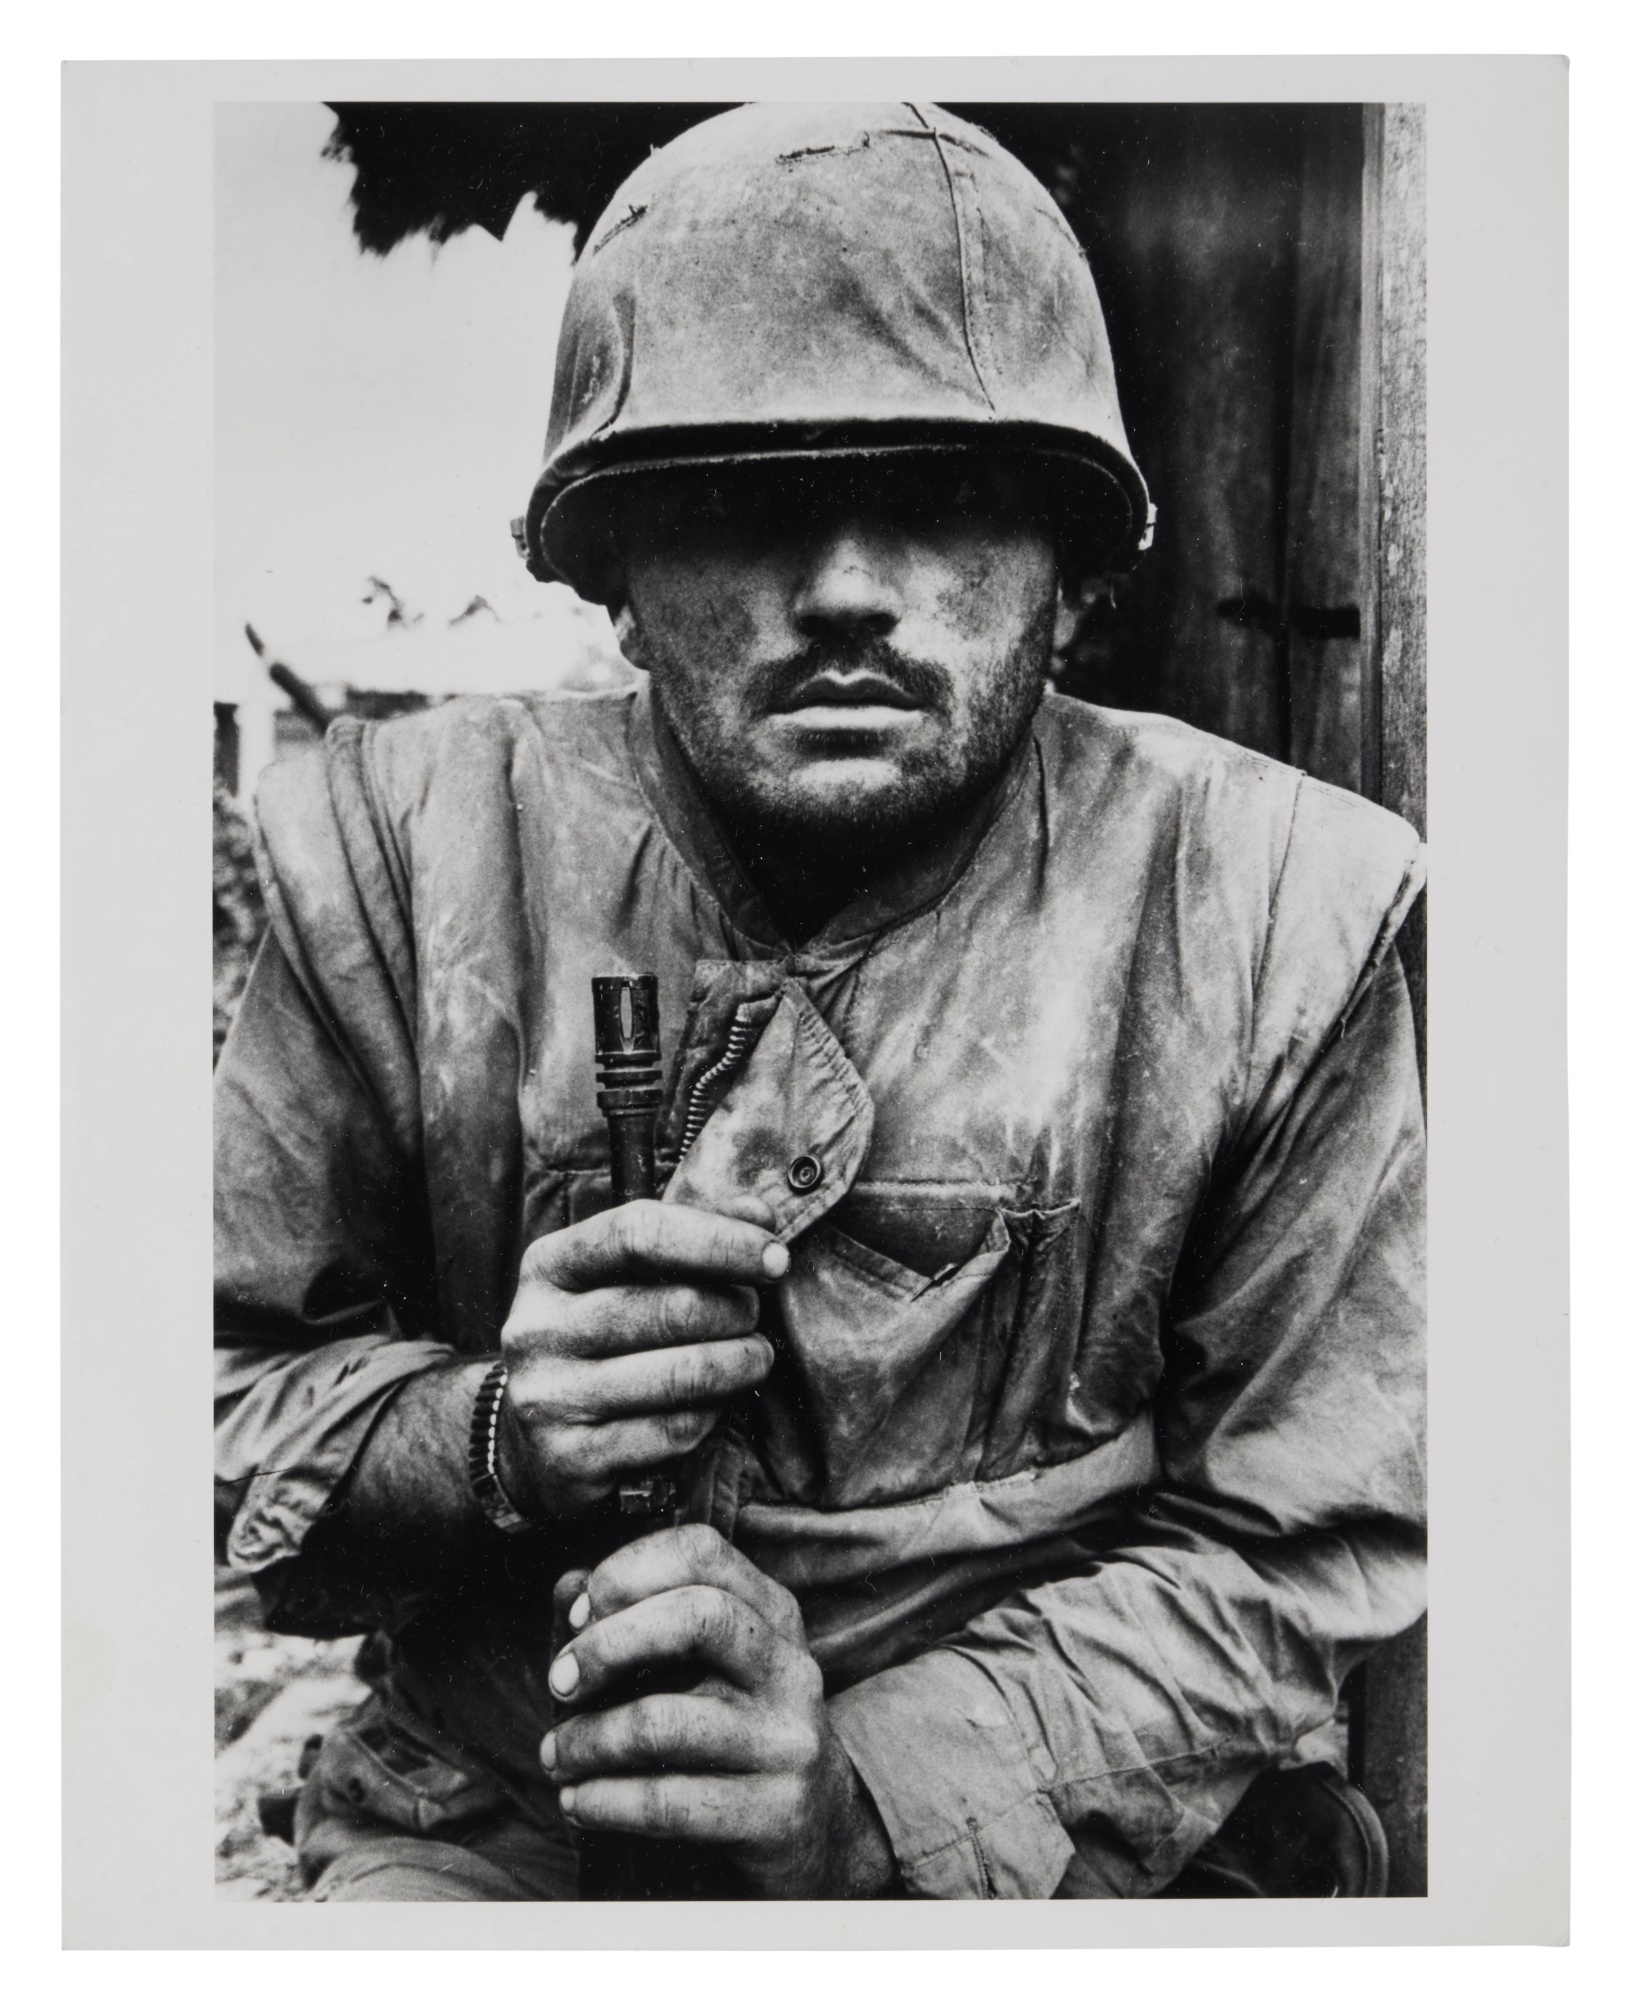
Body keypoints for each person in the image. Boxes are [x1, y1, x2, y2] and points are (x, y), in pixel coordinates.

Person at [215, 102, 1425, 1902]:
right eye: (744, 501)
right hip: (506, 1814)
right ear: (611, 573)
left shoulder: (1277, 911)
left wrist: (864, 1798)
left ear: (1077, 574)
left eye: (943, 501)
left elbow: (1298, 1542)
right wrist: (489, 1434)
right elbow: (209, 1409)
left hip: (1081, 1830)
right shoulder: (394, 860)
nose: (844, 589)